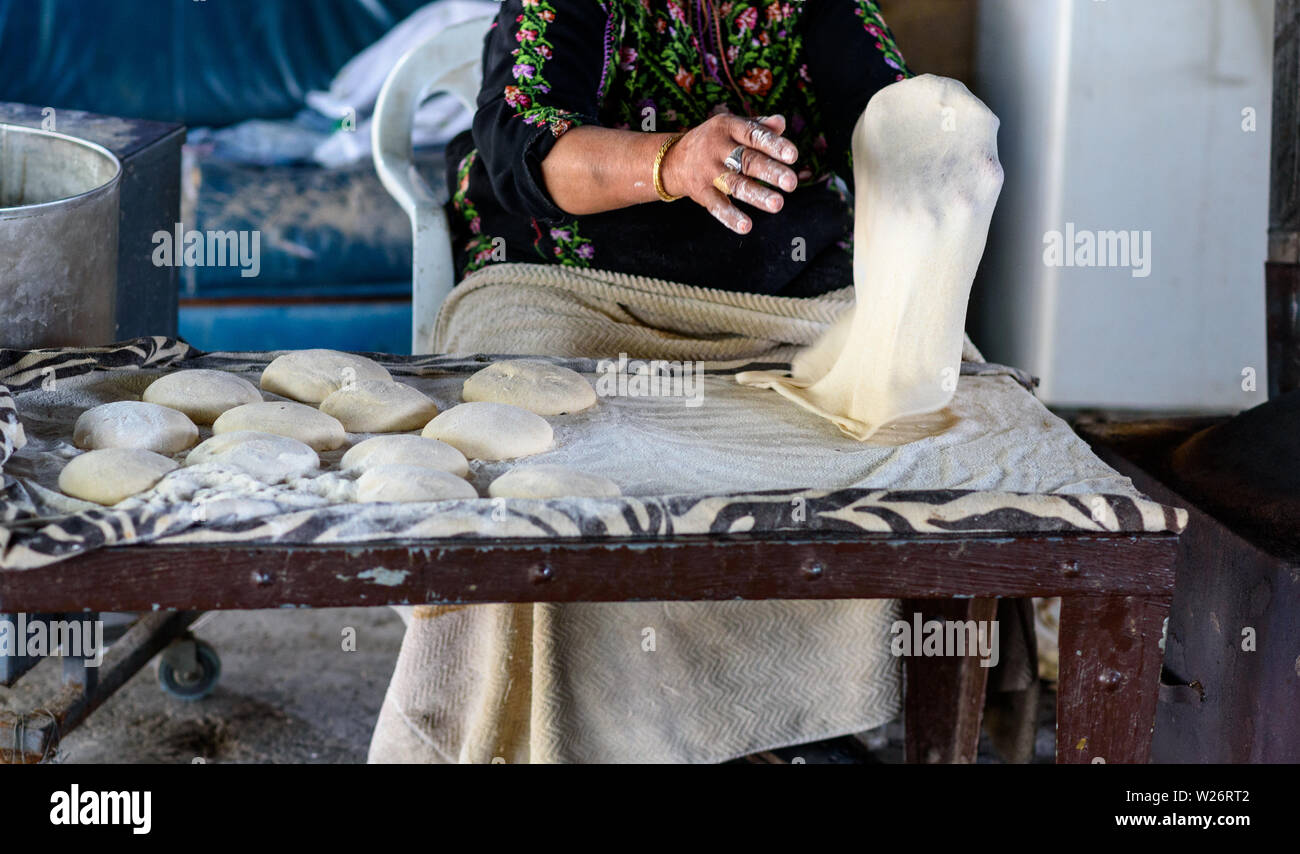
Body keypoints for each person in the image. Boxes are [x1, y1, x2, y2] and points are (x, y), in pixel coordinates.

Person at [445, 0, 909, 298]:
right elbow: (527, 152)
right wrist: (676, 163)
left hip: (787, 283)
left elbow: (888, 118)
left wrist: (932, 140)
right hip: (572, 285)